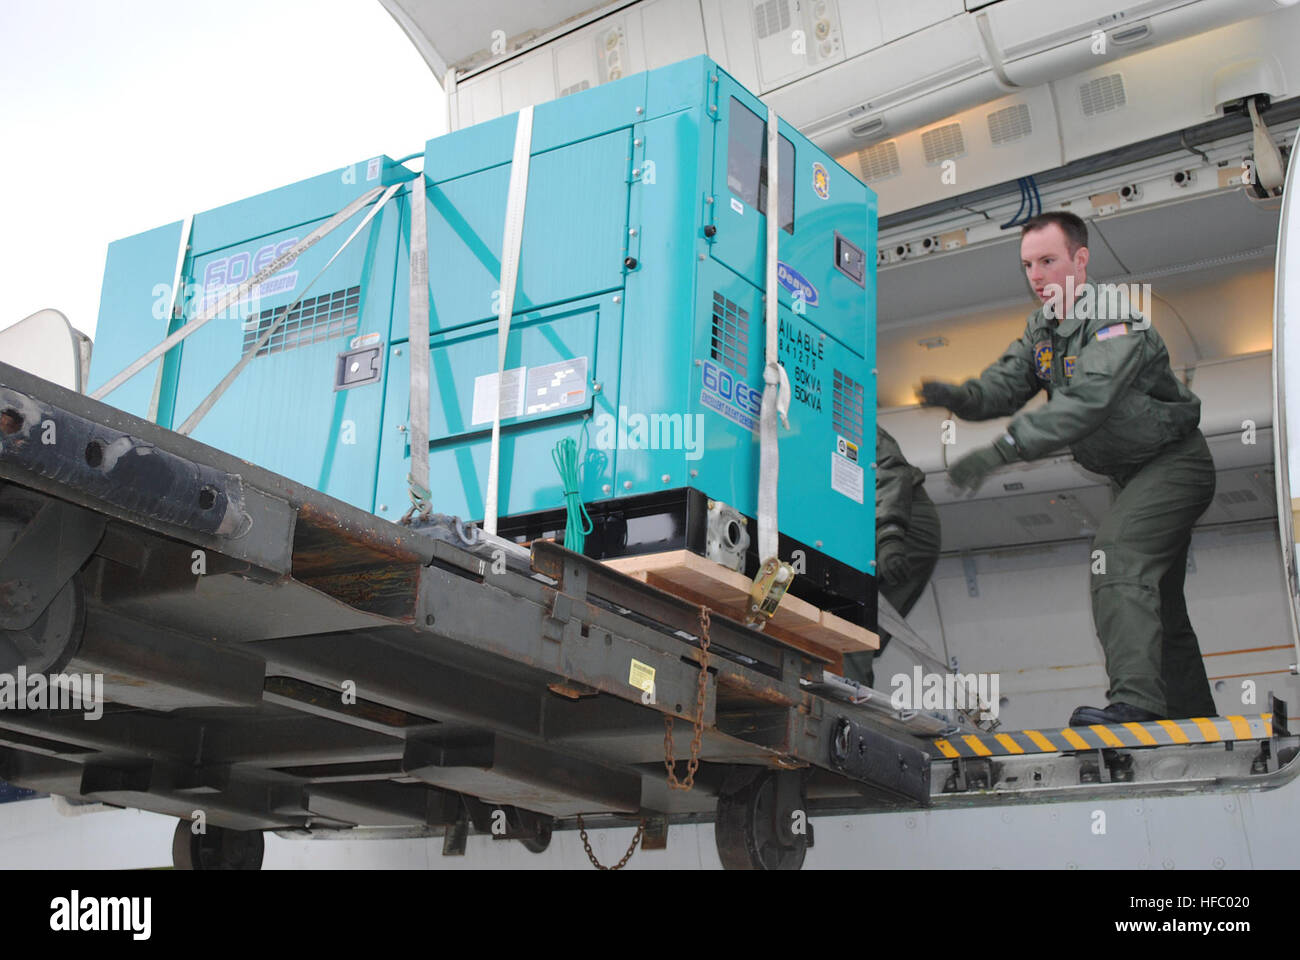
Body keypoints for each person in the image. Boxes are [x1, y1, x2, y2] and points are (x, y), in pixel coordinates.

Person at [917, 211, 1217, 725]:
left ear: (1081, 259)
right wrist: (963, 398)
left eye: (1048, 261)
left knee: (1116, 558)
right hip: (1131, 475)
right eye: (1028, 264)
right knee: (1159, 605)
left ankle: (1137, 706)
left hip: (1174, 464)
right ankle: (1194, 720)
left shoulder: (1112, 319)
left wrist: (999, 451)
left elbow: (1087, 401)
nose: (1036, 275)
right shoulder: (1043, 327)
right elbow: (1008, 383)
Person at [844, 425, 940, 689]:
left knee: (847, 625)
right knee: (849, 632)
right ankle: (850, 700)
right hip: (875, 524)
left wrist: (889, 534)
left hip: (903, 524)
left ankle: (848, 706)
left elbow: (887, 468)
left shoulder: (833, 402)